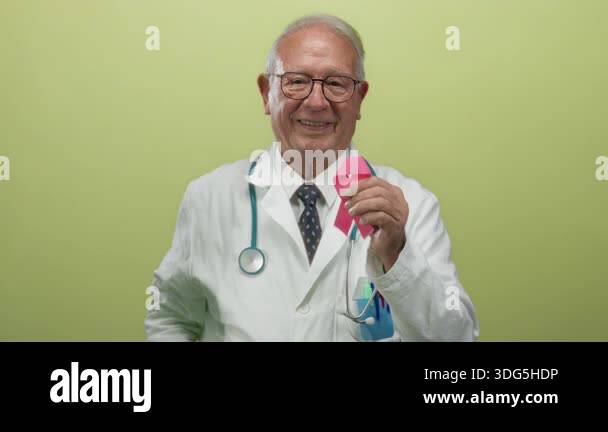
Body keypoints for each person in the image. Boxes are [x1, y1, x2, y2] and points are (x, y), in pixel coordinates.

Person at [145, 14, 479, 341]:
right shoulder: (209, 198)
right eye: (296, 81)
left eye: (336, 84)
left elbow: (456, 338)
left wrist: (397, 254)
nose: (316, 102)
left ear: (360, 98)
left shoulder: (411, 204)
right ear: (266, 93)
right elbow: (170, 318)